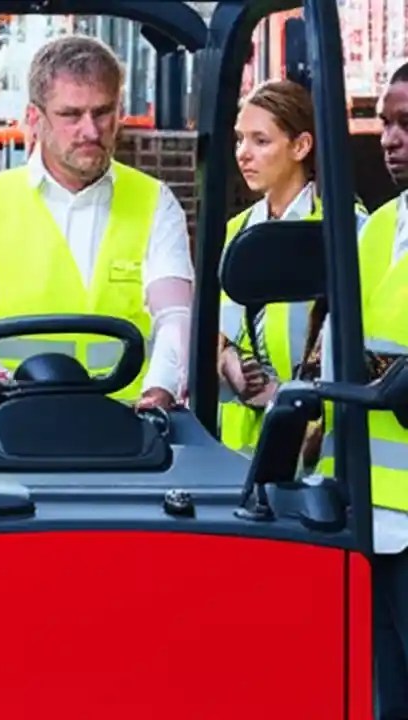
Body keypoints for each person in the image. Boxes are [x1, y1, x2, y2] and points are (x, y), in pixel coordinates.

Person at [0, 35, 193, 410]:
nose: (91, 131)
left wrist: (160, 389)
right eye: (71, 115)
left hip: (128, 425)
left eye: (103, 112)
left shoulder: (154, 202)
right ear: (35, 118)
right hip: (13, 420)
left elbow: (175, 314)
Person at [317, 61, 408, 720]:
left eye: (407, 124)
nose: (391, 138)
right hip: (362, 509)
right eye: (386, 123)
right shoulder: (375, 228)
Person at [217, 79, 367, 454]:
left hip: (311, 442)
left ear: (300, 146)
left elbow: (355, 347)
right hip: (238, 447)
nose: (243, 153)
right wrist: (229, 362)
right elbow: (215, 333)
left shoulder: (344, 228)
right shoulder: (236, 230)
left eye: (260, 141)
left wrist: (284, 392)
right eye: (240, 139)